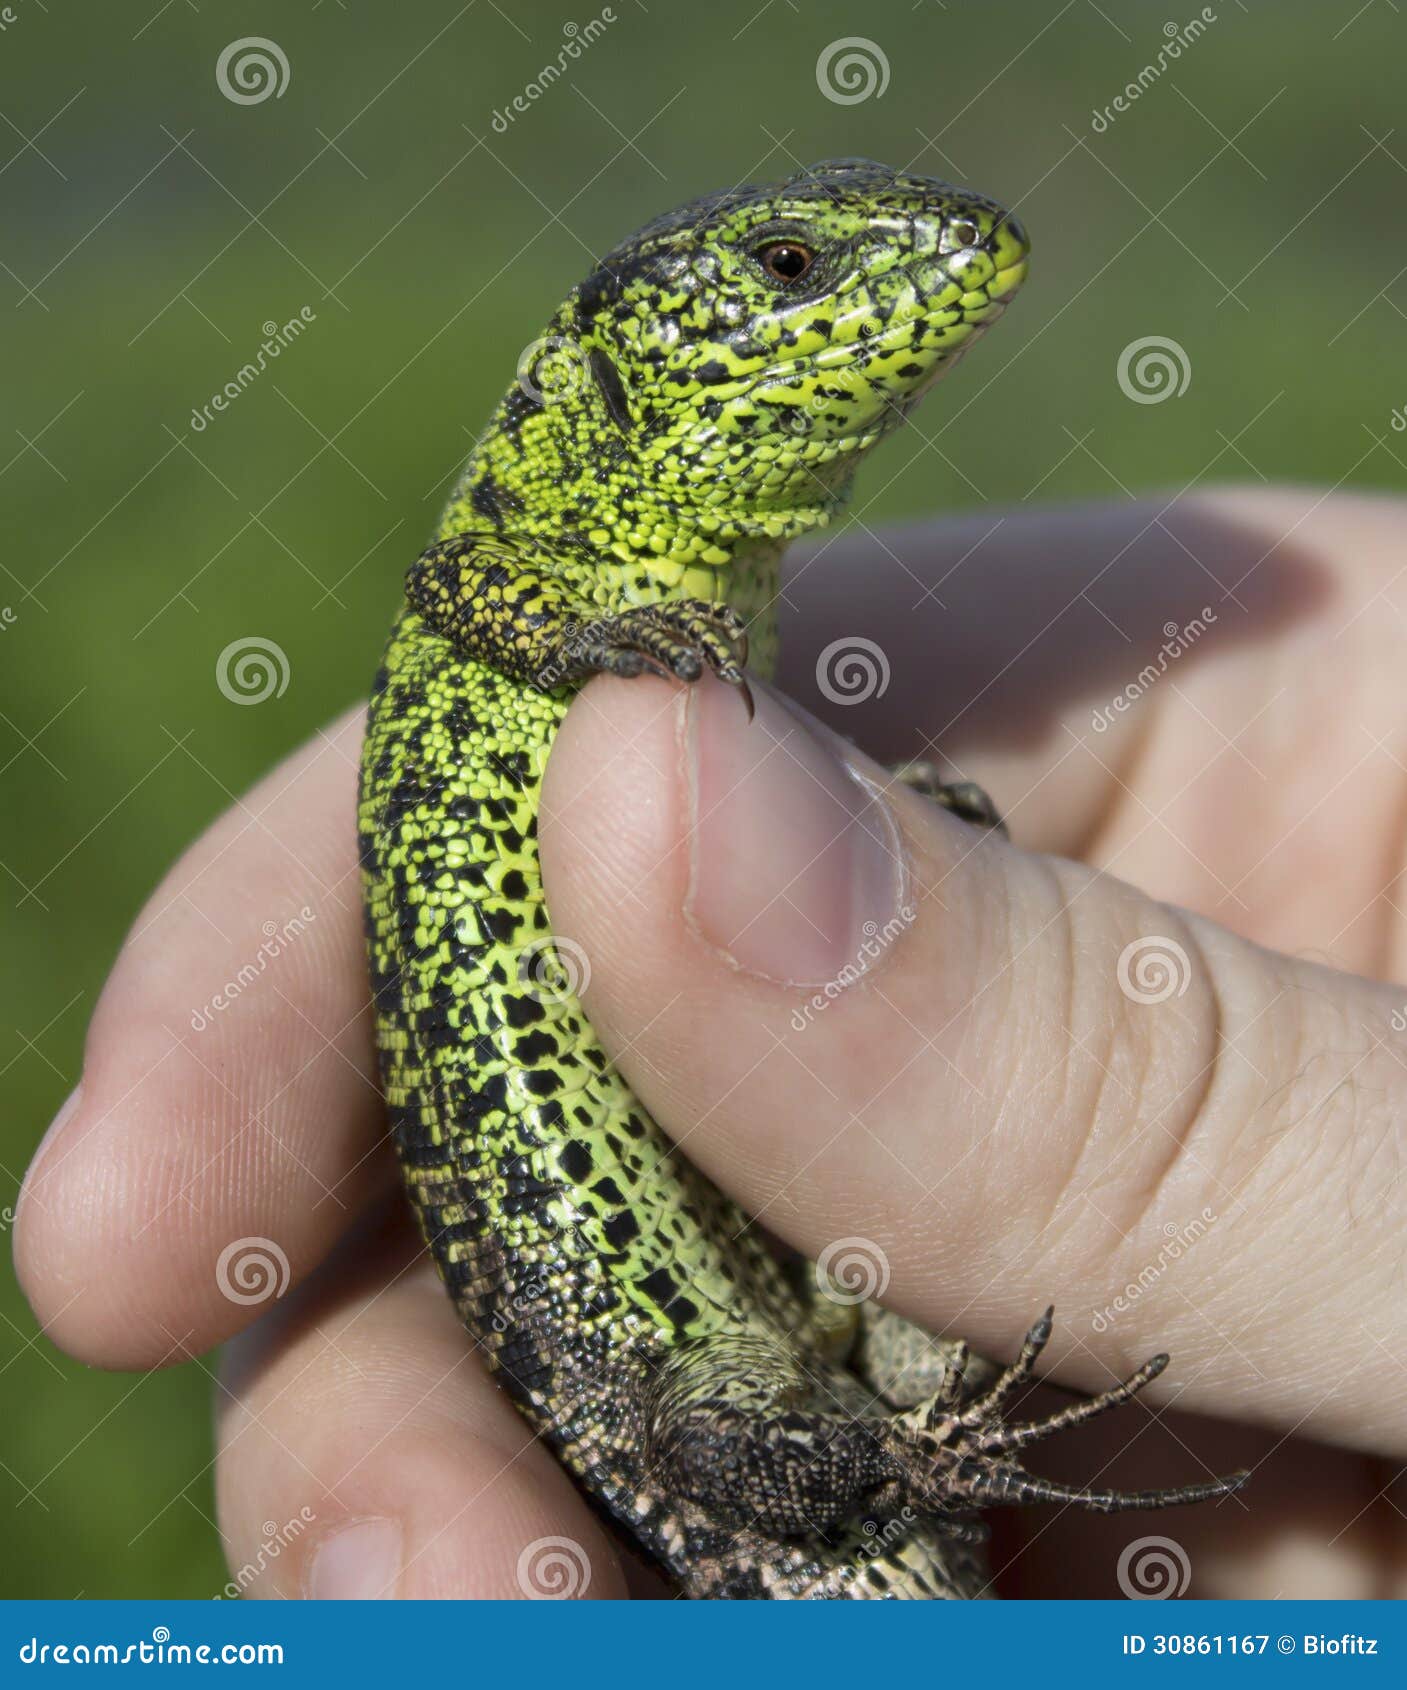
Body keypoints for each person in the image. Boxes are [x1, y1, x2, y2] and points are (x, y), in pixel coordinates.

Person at [15, 489, 1406, 1598]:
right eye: (790, 263)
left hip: (758, 1375)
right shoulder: (529, 563)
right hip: (759, 1424)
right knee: (803, 1444)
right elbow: (459, 588)